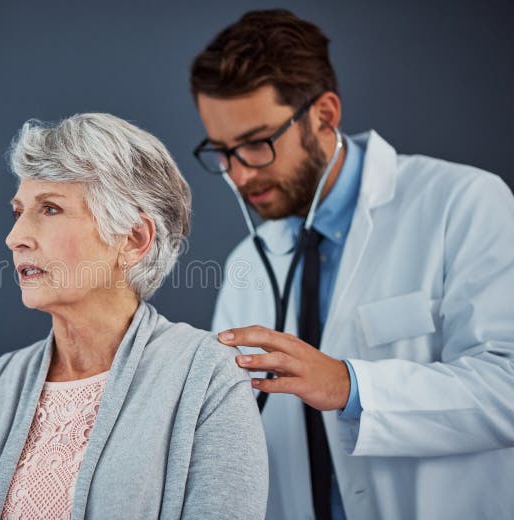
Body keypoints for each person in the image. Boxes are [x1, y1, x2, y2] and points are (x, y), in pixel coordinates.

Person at [189, 9, 514, 520]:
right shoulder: (248, 263)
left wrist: (348, 385)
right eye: (221, 151)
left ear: (325, 115)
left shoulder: (463, 203)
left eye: (256, 143)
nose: (237, 174)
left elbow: (508, 389)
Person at [0, 113, 268, 519]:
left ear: (133, 239)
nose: (15, 237)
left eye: (50, 209)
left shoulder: (208, 377)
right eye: (18, 211)